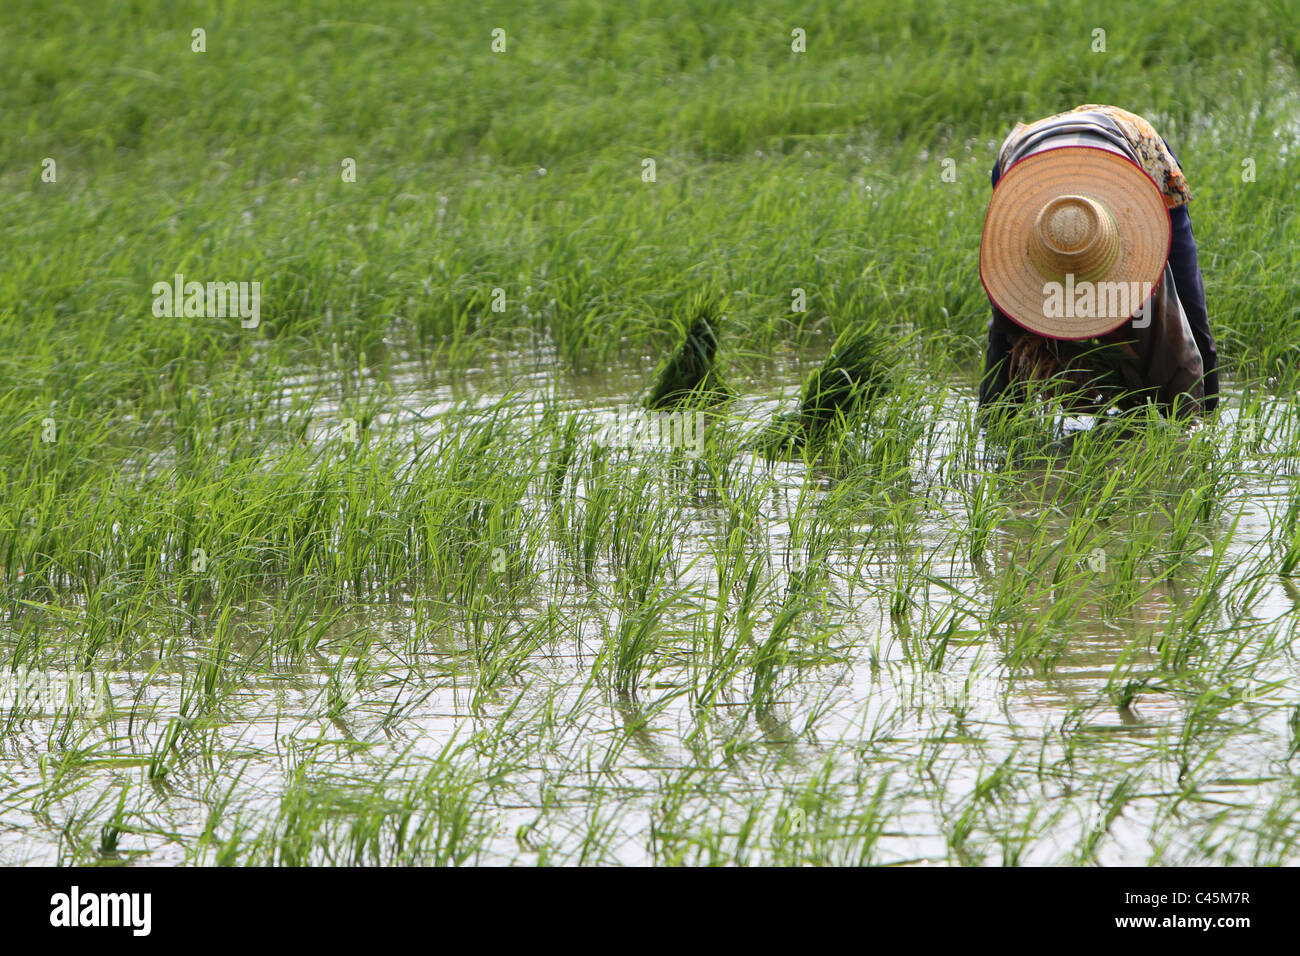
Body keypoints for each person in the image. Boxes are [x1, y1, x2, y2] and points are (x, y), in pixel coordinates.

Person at [977, 105, 1218, 418]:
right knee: (1007, 331)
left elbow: (1185, 361)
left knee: (1190, 315)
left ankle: (1210, 419)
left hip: (1131, 146)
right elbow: (1001, 360)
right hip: (1024, 162)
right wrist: (994, 427)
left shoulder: (1137, 249)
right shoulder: (1024, 247)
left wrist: (1192, 431)